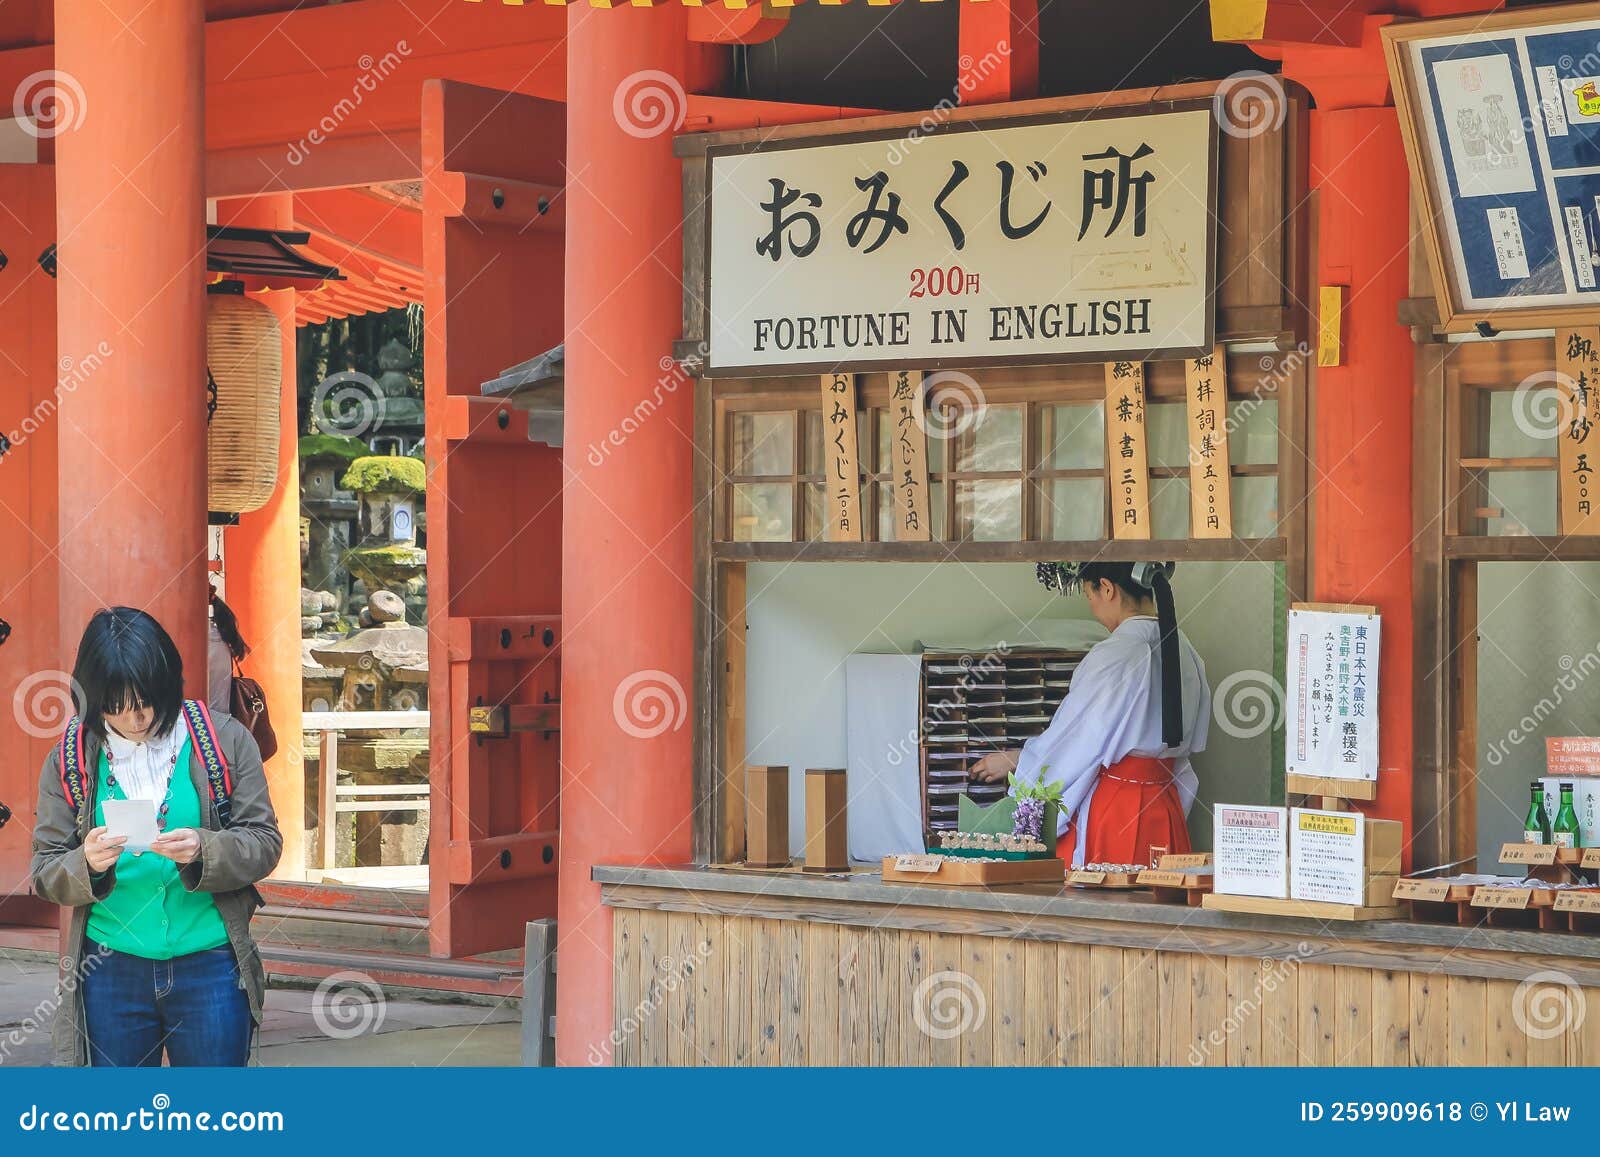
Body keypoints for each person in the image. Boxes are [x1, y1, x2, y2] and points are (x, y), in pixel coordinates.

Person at [31, 606, 282, 1067]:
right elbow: (45, 870)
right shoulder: (71, 760)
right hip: (109, 965)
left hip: (210, 961)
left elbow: (264, 841)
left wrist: (205, 849)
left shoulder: (223, 741)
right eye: (116, 705)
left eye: (145, 701)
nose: (136, 718)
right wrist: (85, 862)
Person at [969, 561, 1210, 868]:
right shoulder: (1184, 647)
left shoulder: (1116, 654)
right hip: (1165, 803)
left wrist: (1018, 760)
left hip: (1118, 808)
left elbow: (1077, 741)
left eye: (1089, 596)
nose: (1093, 607)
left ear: (1107, 588)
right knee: (1159, 905)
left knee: (1109, 905)